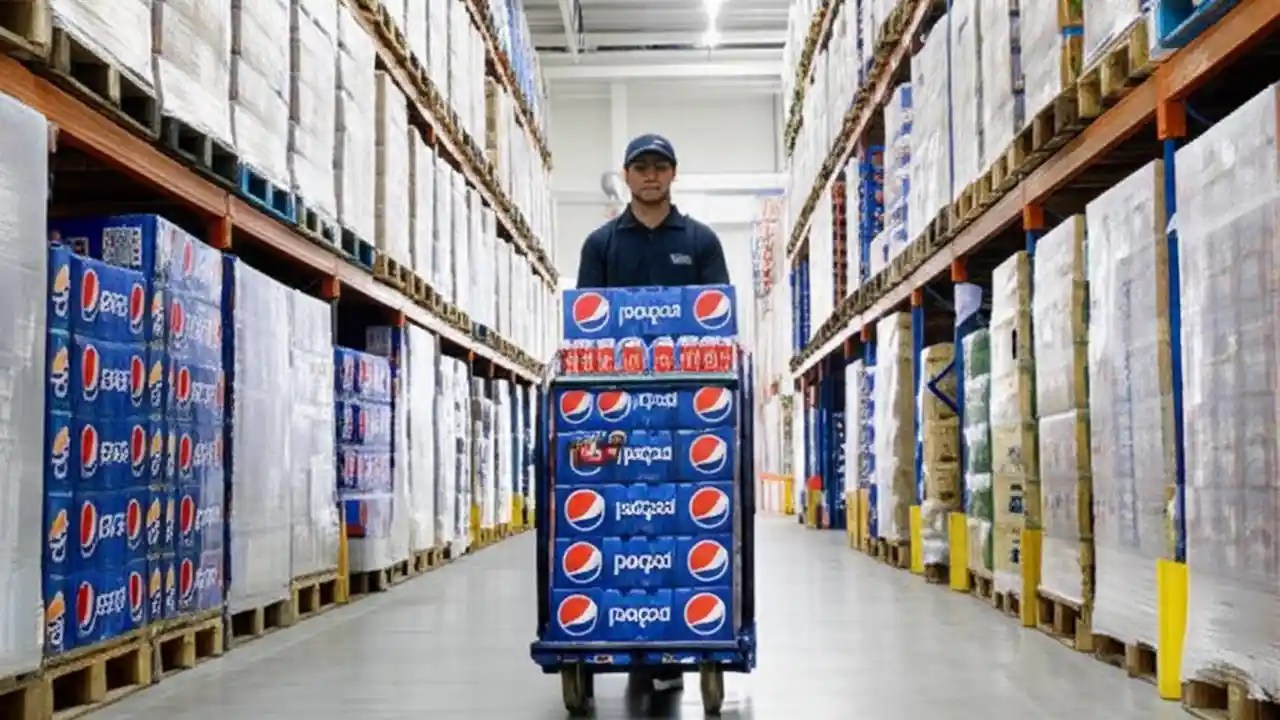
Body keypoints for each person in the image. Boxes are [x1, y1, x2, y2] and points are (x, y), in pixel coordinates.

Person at [576, 133, 731, 289]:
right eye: (640, 168)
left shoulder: (703, 241)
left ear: (674, 173)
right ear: (625, 175)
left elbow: (720, 307)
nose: (651, 176)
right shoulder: (599, 245)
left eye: (661, 167)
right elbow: (586, 309)